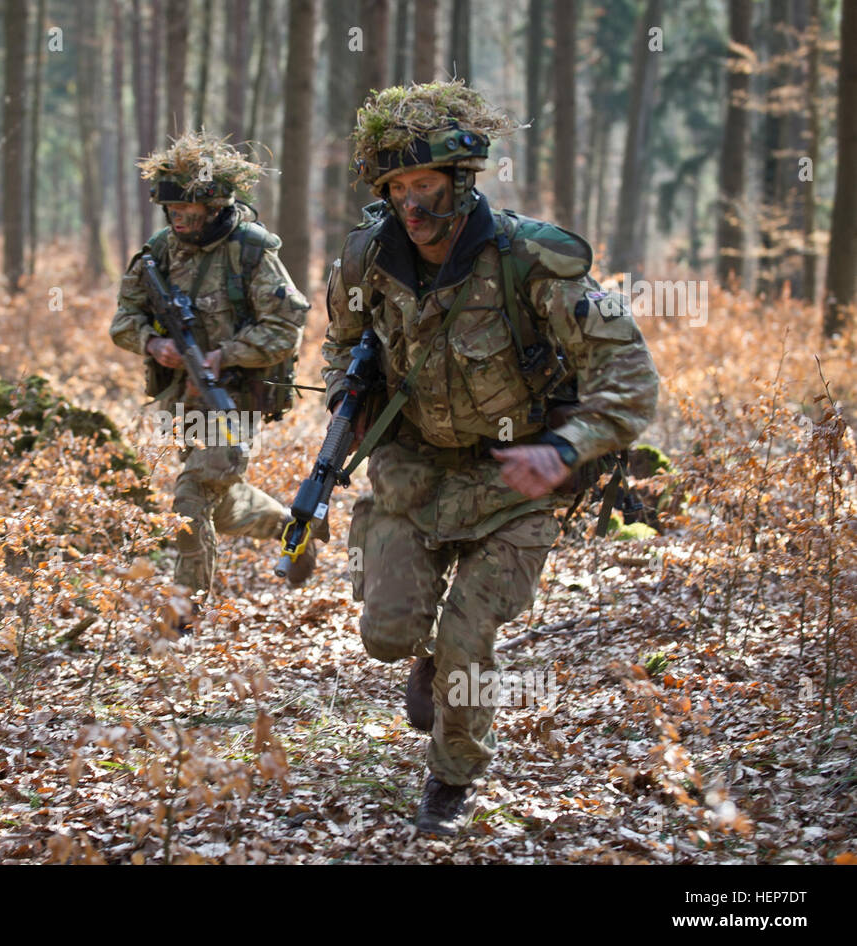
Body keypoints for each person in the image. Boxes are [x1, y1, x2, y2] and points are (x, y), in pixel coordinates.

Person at [321, 82, 660, 835]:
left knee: (469, 638)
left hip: (514, 483)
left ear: (462, 181)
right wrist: (350, 389)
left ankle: (451, 778)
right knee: (385, 634)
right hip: (411, 477)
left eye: (427, 186)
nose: (412, 205)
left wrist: (566, 449)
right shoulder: (365, 260)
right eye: (398, 188)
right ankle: (426, 659)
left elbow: (630, 378)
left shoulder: (533, 260)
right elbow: (341, 342)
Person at [110, 132, 316, 603]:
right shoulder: (159, 253)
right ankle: (289, 527)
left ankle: (184, 613)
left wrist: (227, 354)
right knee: (216, 505)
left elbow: (287, 327)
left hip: (237, 397)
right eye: (173, 214)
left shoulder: (250, 252)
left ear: (217, 208)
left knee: (191, 496)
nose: (180, 222)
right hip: (183, 397)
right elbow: (122, 321)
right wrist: (153, 342)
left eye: (191, 215)